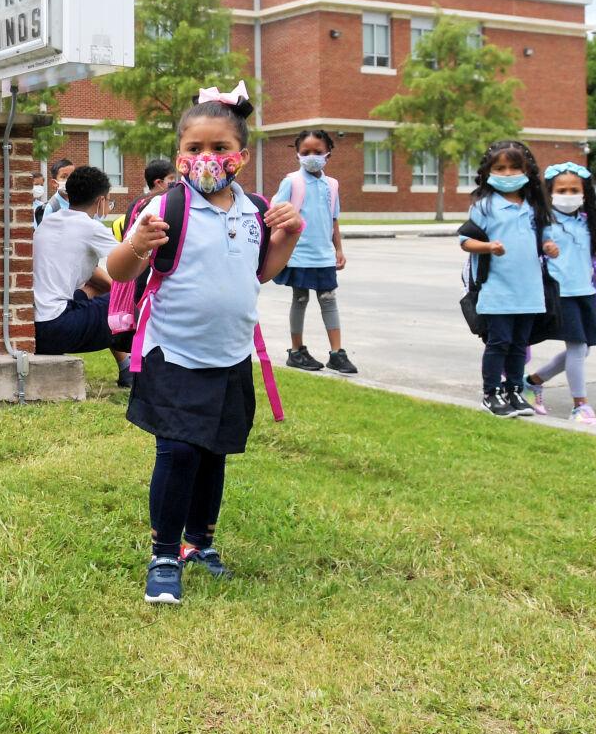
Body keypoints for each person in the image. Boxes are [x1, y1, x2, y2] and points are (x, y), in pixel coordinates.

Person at [105, 86, 302, 606]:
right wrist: (135, 245)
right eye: (194, 148)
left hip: (231, 356)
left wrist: (291, 236)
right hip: (174, 354)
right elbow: (117, 271)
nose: (206, 159)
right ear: (178, 155)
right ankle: (164, 554)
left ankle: (200, 543)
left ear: (242, 154)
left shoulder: (255, 210)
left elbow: (259, 272)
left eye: (219, 147)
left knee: (213, 454)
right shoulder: (163, 207)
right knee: (177, 452)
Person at [459, 140, 555, 419]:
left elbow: (545, 241)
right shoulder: (484, 207)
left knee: (519, 345)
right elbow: (465, 242)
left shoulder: (535, 207)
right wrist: (488, 247)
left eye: (515, 168)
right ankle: (491, 393)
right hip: (497, 290)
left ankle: (514, 390)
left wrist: (550, 247)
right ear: (489, 172)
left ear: (527, 171)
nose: (508, 174)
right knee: (499, 343)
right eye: (500, 168)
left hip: (529, 291)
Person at [524, 162, 596, 424]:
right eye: (562, 189)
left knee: (583, 351)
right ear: (550, 192)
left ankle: (533, 382)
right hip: (560, 293)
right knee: (577, 347)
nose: (569, 193)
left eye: (575, 189)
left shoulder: (587, 222)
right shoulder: (543, 221)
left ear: (584, 192)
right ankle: (580, 407)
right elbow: (531, 249)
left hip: (586, 293)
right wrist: (545, 246)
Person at [274, 129, 355, 374]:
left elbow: (334, 218)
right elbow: (276, 213)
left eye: (317, 152)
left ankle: (336, 353)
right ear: (297, 154)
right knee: (300, 299)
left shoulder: (332, 184)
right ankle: (296, 351)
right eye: (305, 152)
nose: (311, 156)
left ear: (328, 154)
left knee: (329, 300)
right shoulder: (291, 181)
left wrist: (338, 248)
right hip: (298, 254)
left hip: (323, 255)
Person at [32, 166, 122, 370]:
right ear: (101, 201)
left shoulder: (49, 221)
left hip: (34, 326)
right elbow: (128, 262)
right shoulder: (92, 227)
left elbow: (96, 277)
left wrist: (110, 288)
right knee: (132, 302)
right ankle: (138, 368)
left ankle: (125, 368)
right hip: (57, 327)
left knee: (98, 289)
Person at [112, 157, 177, 241]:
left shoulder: (137, 201)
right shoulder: (161, 202)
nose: (174, 182)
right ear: (159, 182)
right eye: (171, 178)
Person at [37, 157, 76, 223]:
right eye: (64, 177)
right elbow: (45, 231)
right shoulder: (52, 207)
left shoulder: (82, 200)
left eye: (73, 176)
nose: (70, 180)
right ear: (55, 183)